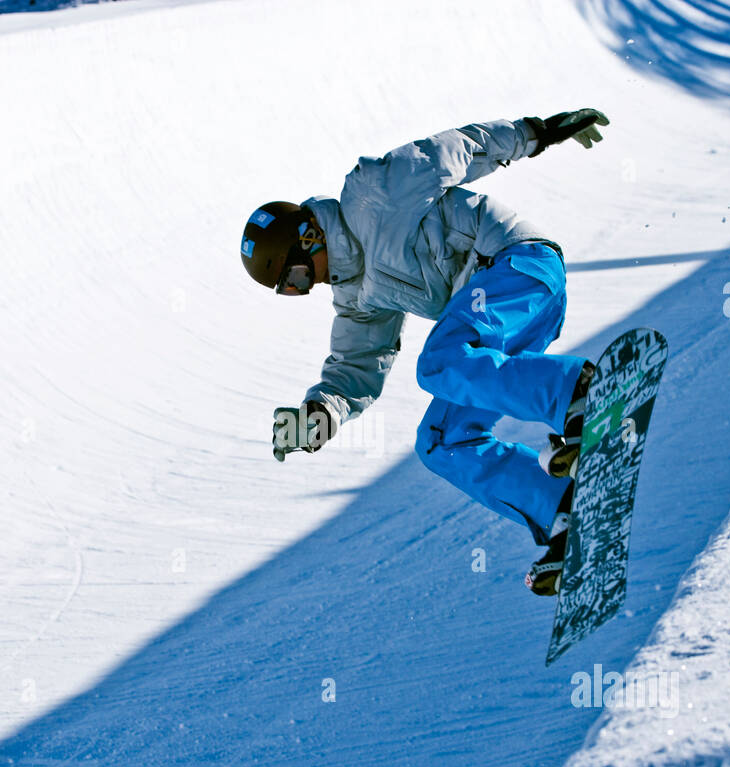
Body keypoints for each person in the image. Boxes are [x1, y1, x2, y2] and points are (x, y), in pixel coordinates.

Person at [241, 110, 608, 595]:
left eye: (296, 278)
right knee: (440, 441)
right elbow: (354, 370)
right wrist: (318, 414)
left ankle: (579, 393)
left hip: (515, 263)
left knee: (439, 361)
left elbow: (460, 147)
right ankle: (565, 509)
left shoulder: (372, 192)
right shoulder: (357, 299)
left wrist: (536, 133)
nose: (305, 289)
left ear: (307, 240)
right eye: (290, 291)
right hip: (494, 320)